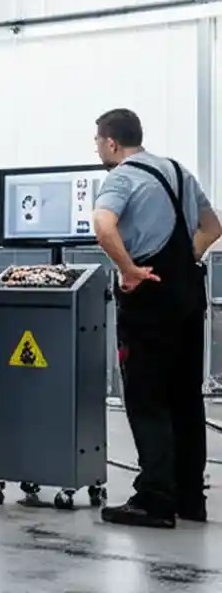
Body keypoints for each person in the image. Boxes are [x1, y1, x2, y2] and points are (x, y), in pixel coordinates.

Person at [91, 108, 221, 528]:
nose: (97, 148)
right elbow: (213, 226)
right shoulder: (179, 172)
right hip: (187, 298)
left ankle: (154, 500)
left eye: (97, 141)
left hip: (148, 302)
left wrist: (128, 270)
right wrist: (190, 256)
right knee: (185, 398)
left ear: (111, 143)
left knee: (147, 398)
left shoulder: (122, 177)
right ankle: (189, 498)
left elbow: (103, 225)